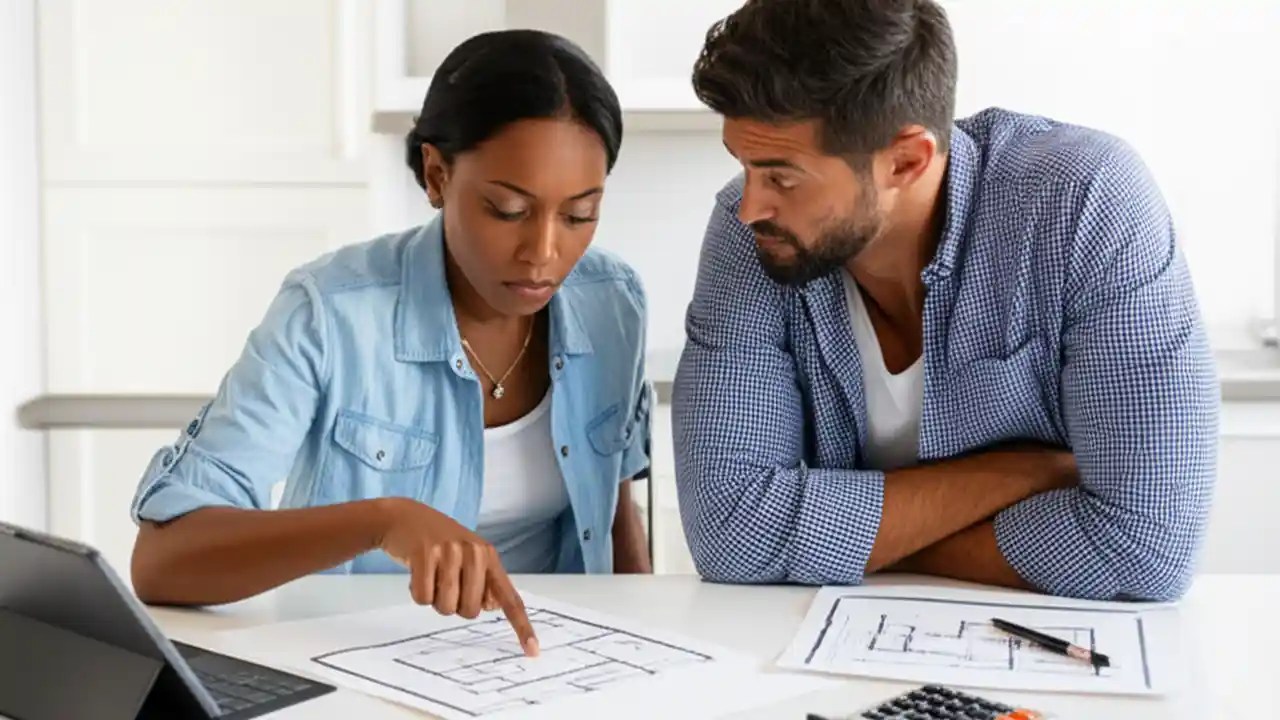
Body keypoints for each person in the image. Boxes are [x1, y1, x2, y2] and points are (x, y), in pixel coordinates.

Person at [129, 30, 654, 656]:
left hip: (549, 665)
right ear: (436, 175)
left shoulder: (613, 300)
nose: (544, 253)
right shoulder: (329, 314)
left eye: (579, 216)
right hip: (359, 667)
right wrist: (382, 521)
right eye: (509, 210)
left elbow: (618, 516)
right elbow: (163, 561)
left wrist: (643, 652)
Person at [673, 0, 1217, 602]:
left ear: (907, 160)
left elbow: (1146, 549)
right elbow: (729, 533)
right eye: (743, 165)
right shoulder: (748, 234)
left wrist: (847, 540)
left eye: (782, 176)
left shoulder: (1084, 203)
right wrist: (1028, 472)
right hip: (822, 646)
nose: (750, 205)